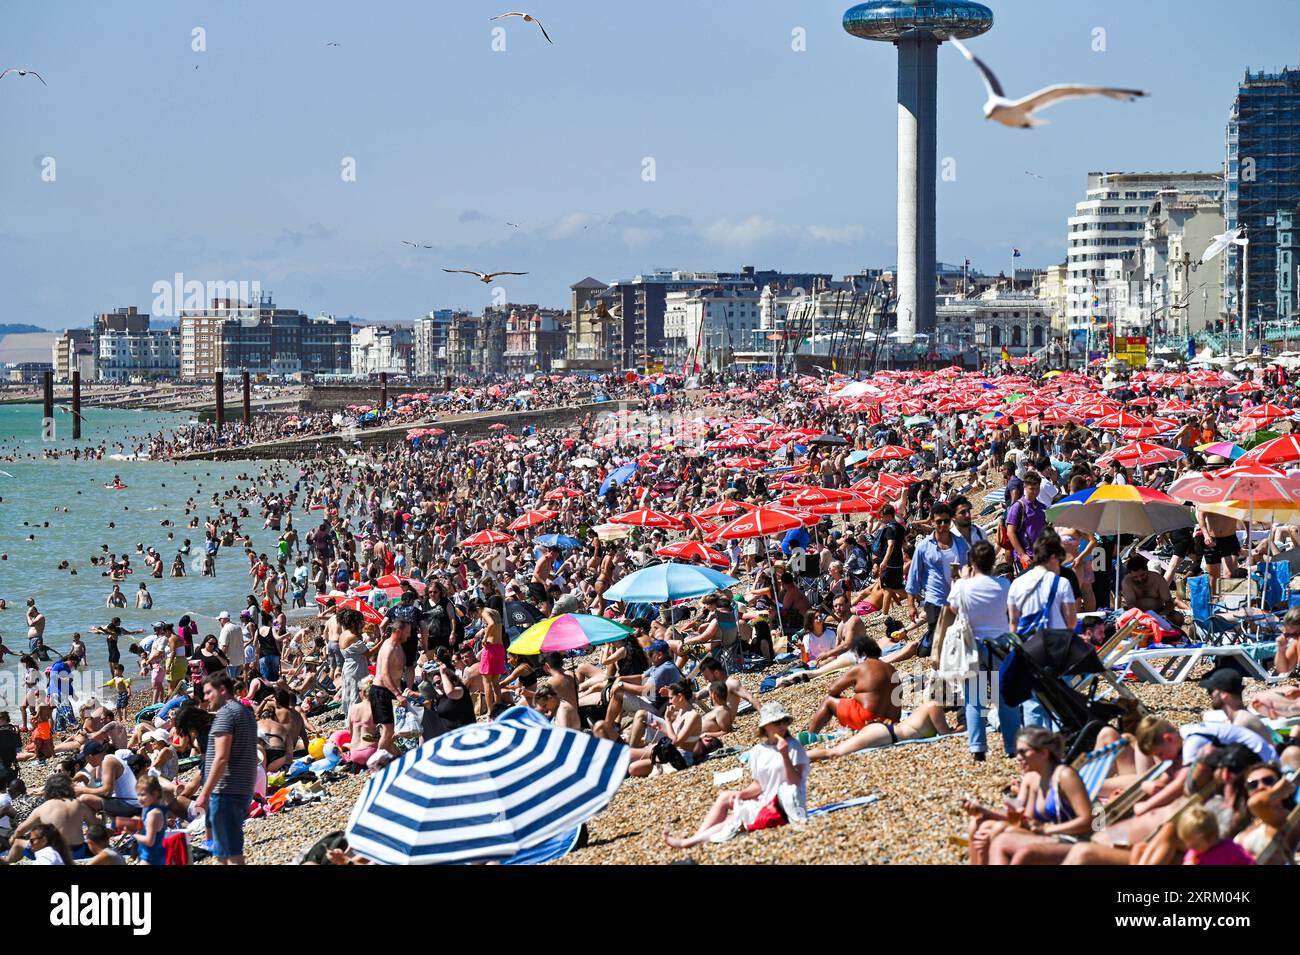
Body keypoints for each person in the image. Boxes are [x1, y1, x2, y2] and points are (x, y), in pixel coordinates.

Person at [664, 701, 808, 848]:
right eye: (777, 722)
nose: (782, 726)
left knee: (734, 818)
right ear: (766, 726)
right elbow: (759, 785)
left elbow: (796, 782)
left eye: (784, 722)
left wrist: (784, 755)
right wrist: (741, 794)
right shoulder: (759, 750)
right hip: (766, 799)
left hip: (787, 803)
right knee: (725, 796)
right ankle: (697, 836)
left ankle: (689, 842)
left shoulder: (793, 747)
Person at [963, 727, 1092, 865]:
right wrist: (983, 811)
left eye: (1023, 752)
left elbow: (1087, 820)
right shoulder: (1031, 777)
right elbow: (1021, 817)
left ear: (1043, 752)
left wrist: (1047, 829)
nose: (1018, 757)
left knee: (999, 831)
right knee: (978, 825)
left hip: (1070, 839)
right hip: (1043, 834)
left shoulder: (1065, 776)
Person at [946, 540, 1015, 761]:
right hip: (1001, 643)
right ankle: (1011, 745)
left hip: (972, 645)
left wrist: (963, 579)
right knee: (1004, 696)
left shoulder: (963, 586)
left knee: (974, 699)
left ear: (972, 562)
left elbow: (952, 608)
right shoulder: (1003, 585)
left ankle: (978, 747)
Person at [194, 671, 259, 865]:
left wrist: (204, 793)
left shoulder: (225, 715)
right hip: (242, 787)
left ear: (222, 690)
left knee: (232, 854)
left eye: (208, 693)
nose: (205, 698)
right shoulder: (244, 712)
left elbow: (221, 758)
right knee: (221, 853)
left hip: (226, 790)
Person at [905, 501, 969, 657]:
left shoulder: (961, 544)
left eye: (946, 521)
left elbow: (969, 568)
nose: (943, 524)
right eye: (939, 521)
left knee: (958, 634)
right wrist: (911, 605)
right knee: (939, 635)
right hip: (935, 598)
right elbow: (913, 576)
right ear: (932, 522)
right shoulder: (924, 547)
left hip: (958, 597)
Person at [806, 636, 901, 734]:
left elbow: (832, 690)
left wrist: (852, 682)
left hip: (870, 720)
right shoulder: (891, 669)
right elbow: (898, 697)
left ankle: (810, 736)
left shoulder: (861, 667)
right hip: (892, 721)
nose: (855, 659)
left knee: (829, 701)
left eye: (856, 656)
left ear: (863, 654)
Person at [1004, 471, 1047, 573]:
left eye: (1037, 489)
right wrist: (1022, 554)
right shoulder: (1018, 507)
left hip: (1042, 554)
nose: (1035, 492)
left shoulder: (1042, 507)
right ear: (1025, 486)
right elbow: (1010, 532)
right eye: (1032, 489)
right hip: (1026, 558)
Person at [132, 774, 168, 866]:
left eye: (143, 795)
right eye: (138, 795)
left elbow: (149, 841)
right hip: (151, 855)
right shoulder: (149, 809)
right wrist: (138, 824)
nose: (139, 798)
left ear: (155, 794)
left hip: (151, 858)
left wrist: (133, 834)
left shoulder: (153, 814)